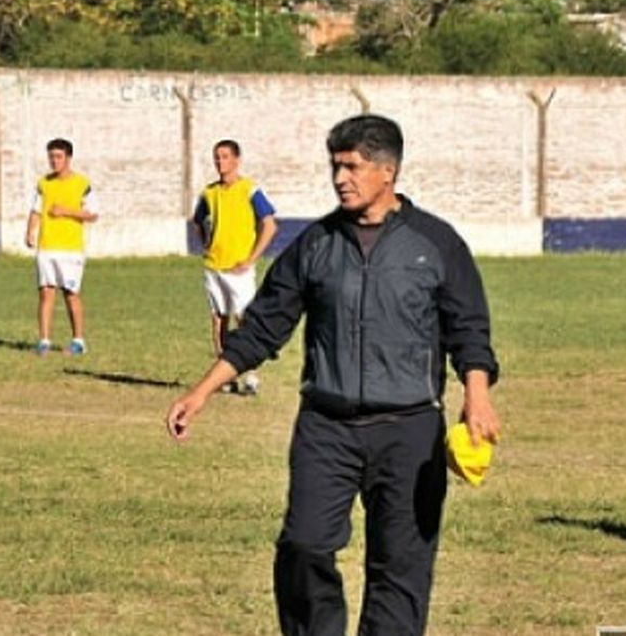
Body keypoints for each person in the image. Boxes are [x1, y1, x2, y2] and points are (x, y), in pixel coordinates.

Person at [166, 114, 502, 635]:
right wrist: (203, 391)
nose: (340, 178)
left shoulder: (435, 244)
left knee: (400, 568)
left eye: (352, 166)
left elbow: (469, 329)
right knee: (303, 545)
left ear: (387, 172)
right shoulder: (316, 244)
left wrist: (476, 397)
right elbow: (263, 325)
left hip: (409, 430)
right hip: (327, 427)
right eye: (335, 166)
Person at [192, 139, 278, 394]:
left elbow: (270, 224)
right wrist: (206, 245)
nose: (221, 162)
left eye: (226, 157)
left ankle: (250, 375)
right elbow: (198, 221)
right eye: (217, 157)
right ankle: (223, 376)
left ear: (237, 160)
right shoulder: (209, 192)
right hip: (214, 266)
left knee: (245, 321)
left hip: (239, 268)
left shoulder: (250, 189)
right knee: (219, 319)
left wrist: (251, 258)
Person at [25, 138, 99, 355]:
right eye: (51, 157)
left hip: (70, 248)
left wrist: (67, 211)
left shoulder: (82, 184)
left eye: (58, 157)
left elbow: (93, 214)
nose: (54, 161)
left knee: (70, 293)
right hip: (47, 246)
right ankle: (44, 341)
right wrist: (30, 231)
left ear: (68, 158)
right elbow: (36, 210)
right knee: (46, 292)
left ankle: (78, 341)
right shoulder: (44, 183)